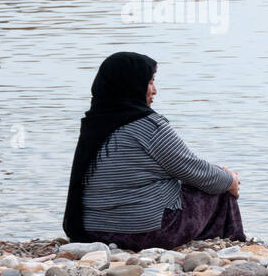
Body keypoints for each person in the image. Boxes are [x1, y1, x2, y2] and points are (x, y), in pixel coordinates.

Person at [63, 51, 244, 251]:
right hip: (146, 233)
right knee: (217, 185)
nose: (155, 90)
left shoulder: (94, 124)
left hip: (93, 231)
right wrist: (230, 180)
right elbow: (196, 172)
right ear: (132, 85)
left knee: (214, 177)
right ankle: (233, 244)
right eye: (150, 83)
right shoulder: (149, 126)